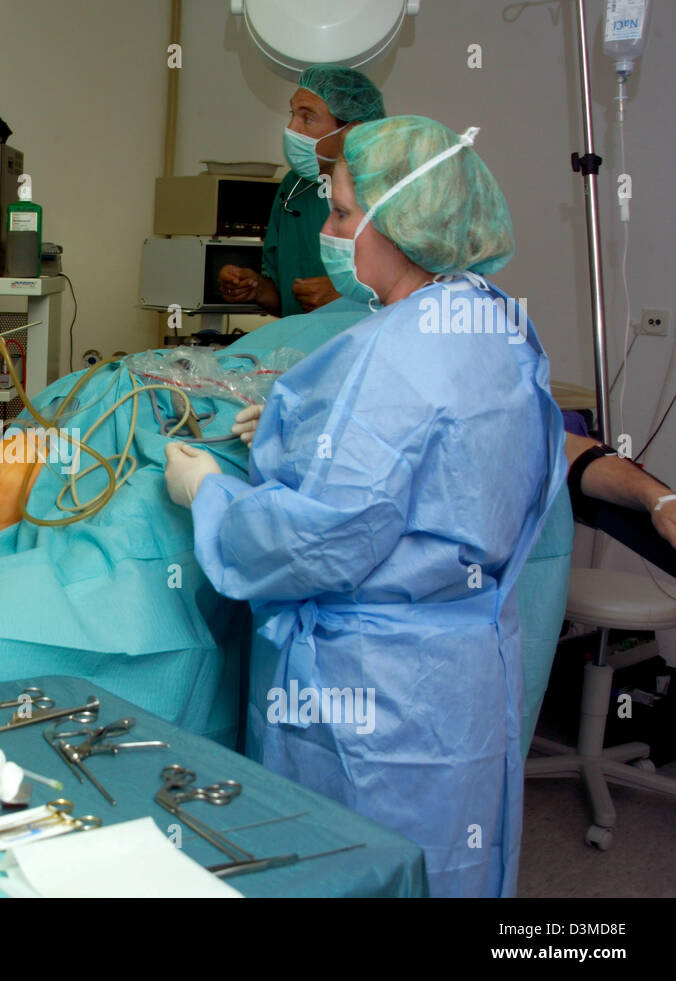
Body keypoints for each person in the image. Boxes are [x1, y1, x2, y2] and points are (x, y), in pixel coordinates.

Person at [165, 116, 564, 897]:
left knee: (350, 868)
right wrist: (301, 422)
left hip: (374, 693)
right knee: (450, 862)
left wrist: (209, 495)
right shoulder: (495, 321)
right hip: (461, 675)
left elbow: (323, 539)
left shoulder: (396, 354)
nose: (331, 230)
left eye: (345, 213)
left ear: (406, 222)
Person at [218, 65, 384, 318]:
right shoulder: (295, 188)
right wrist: (256, 289)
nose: (291, 129)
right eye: (292, 114)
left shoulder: (388, 191)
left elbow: (424, 287)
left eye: (307, 118)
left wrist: (348, 297)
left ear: (352, 131)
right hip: (304, 349)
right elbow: (288, 298)